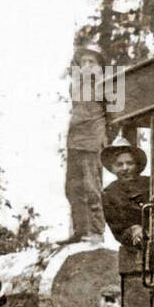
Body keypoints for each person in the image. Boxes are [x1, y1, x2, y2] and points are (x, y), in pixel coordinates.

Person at [99, 139, 154, 251]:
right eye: (119, 164)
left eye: (129, 163)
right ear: (112, 168)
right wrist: (135, 232)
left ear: (137, 165)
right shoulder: (109, 194)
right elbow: (118, 229)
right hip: (140, 246)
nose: (125, 168)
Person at [64, 42, 109, 243]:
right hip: (74, 140)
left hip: (93, 140)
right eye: (84, 62)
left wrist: (105, 139)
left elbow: (118, 115)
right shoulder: (75, 85)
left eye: (92, 61)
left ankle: (96, 232)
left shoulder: (109, 84)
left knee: (92, 186)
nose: (88, 65)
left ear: (100, 66)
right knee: (73, 187)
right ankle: (80, 230)